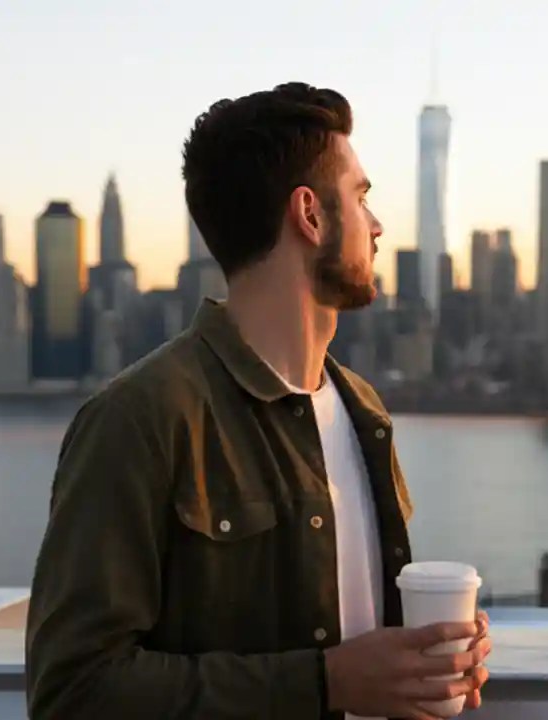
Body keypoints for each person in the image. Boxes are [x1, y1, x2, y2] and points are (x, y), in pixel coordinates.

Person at [25, 82, 492, 720]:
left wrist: (428, 655)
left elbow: (362, 640)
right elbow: (73, 693)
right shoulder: (141, 420)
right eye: (360, 196)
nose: (377, 225)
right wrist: (325, 685)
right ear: (310, 214)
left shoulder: (364, 412)